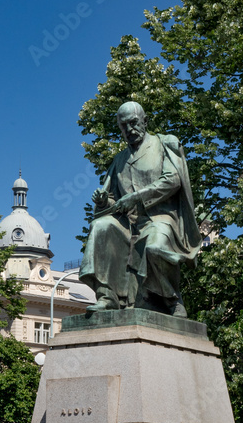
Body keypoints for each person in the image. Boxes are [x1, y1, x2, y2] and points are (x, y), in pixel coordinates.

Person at [80, 101, 201, 317]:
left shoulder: (164, 144)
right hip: (129, 224)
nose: (129, 130)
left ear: (145, 121)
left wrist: (137, 197)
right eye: (123, 126)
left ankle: (171, 299)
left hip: (161, 218)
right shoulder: (119, 160)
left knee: (154, 247)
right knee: (101, 227)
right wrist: (102, 202)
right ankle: (108, 297)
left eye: (134, 123)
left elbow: (173, 180)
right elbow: (114, 202)